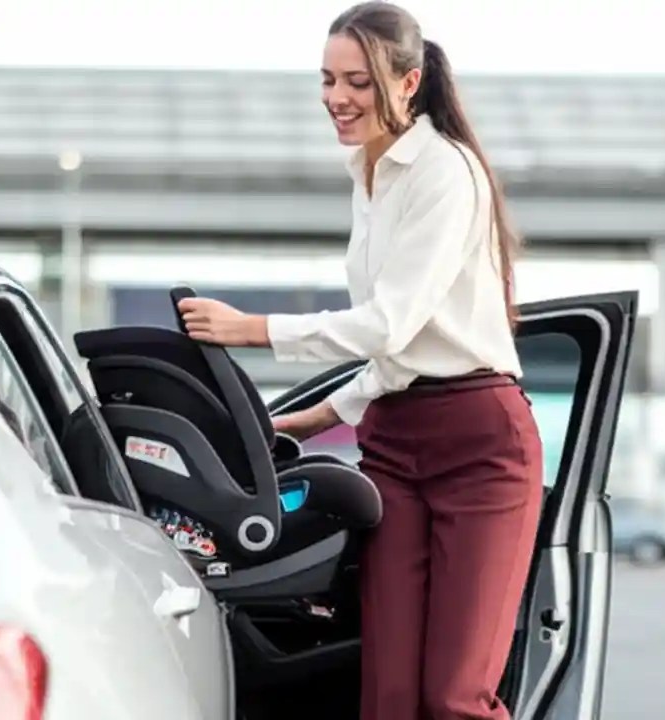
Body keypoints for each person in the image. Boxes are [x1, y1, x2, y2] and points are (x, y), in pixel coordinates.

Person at [176, 3, 542, 718]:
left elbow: (390, 322)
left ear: (408, 83)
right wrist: (312, 419)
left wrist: (251, 329)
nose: (337, 99)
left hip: (479, 445)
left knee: (454, 698)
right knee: (389, 697)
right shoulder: (370, 173)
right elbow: (399, 350)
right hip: (392, 443)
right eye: (327, 80)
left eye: (359, 83)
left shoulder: (445, 170)